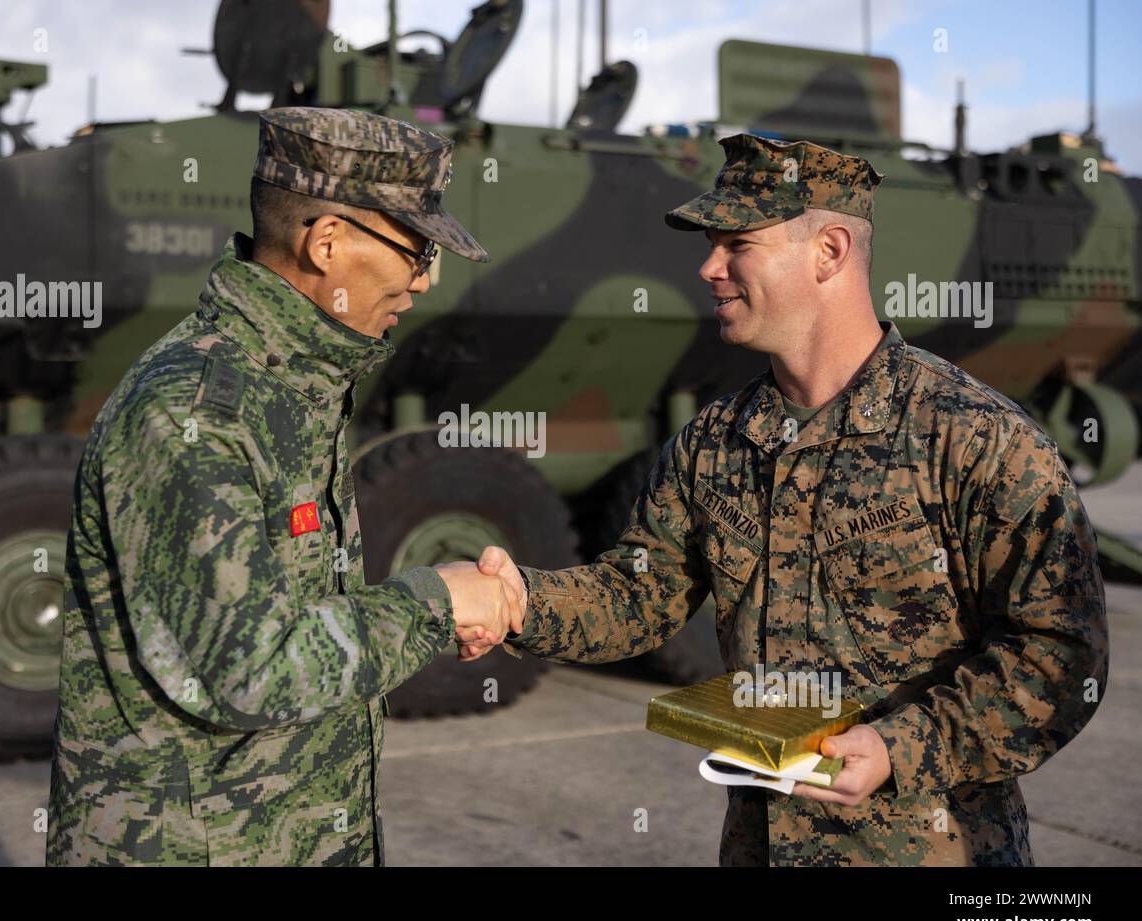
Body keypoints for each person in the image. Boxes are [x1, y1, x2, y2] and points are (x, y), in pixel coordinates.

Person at [459, 134, 1110, 866]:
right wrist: (520, 602)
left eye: (737, 243)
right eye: (711, 245)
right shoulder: (714, 441)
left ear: (829, 251)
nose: (709, 268)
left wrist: (899, 747)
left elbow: (1059, 658)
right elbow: (637, 595)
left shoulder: (975, 439)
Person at [46, 107, 520, 866]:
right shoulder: (197, 409)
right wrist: (436, 601)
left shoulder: (291, 381)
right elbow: (252, 668)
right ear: (326, 242)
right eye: (416, 246)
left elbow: (300, 625)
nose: (425, 279)